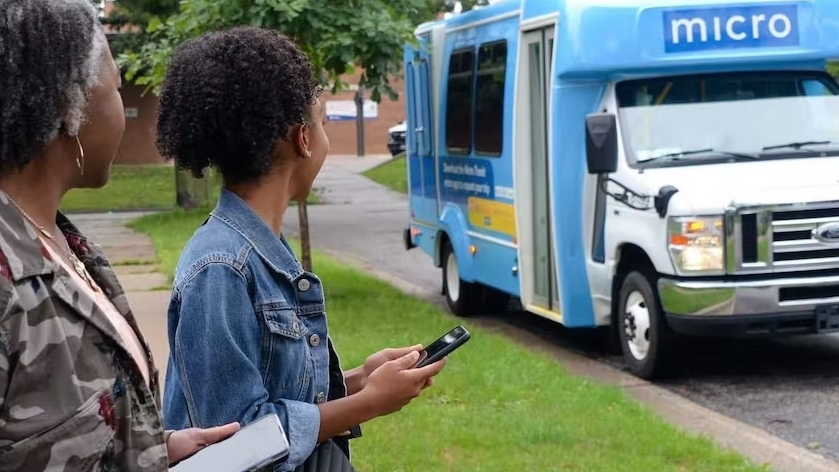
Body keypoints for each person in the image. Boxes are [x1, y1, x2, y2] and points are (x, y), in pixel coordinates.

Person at [157, 26, 447, 471]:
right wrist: (368, 403)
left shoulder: (264, 249)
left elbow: (275, 399)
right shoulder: (221, 268)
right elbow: (238, 442)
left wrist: (358, 382)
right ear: (303, 139)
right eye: (324, 123)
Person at [0, 1, 239, 470]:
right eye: (115, 88)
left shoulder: (69, 249)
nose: (125, 113)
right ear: (73, 106)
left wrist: (152, 449)